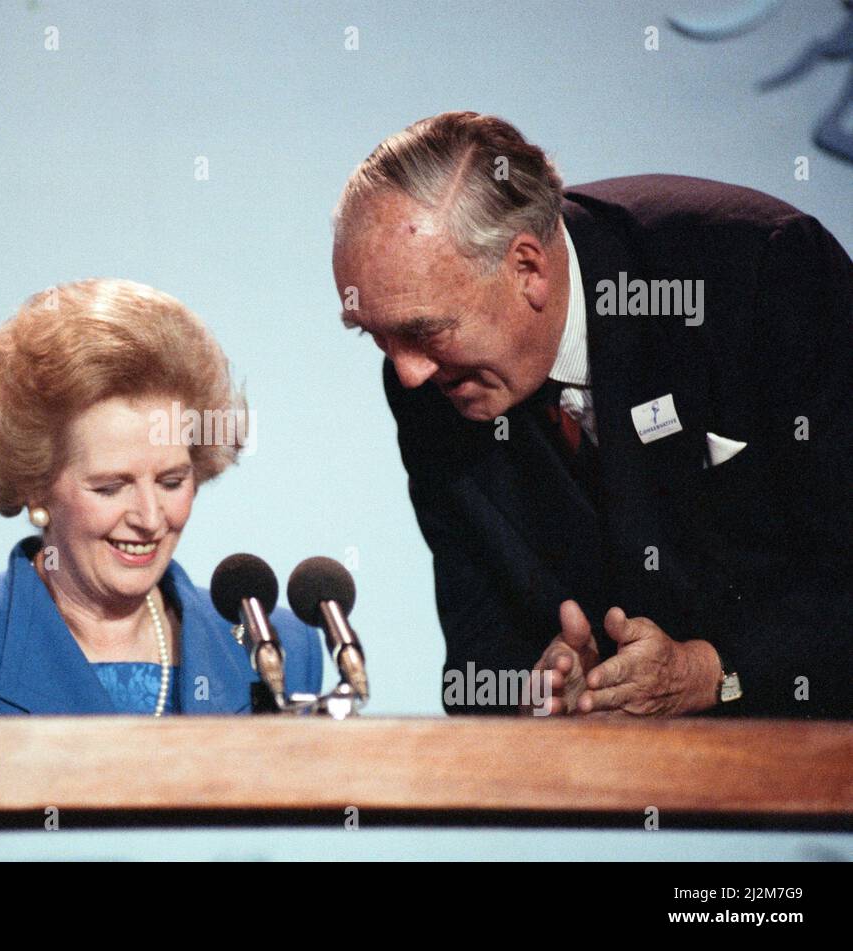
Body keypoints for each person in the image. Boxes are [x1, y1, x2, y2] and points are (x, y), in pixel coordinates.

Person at [332, 111, 852, 719]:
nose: (407, 373)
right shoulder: (431, 384)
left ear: (527, 268)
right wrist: (539, 691)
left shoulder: (760, 272)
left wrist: (714, 671)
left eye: (425, 331)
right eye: (374, 335)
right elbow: (478, 647)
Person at [0, 279, 323, 770]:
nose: (150, 519)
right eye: (110, 487)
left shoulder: (277, 646)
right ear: (37, 485)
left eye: (172, 482)